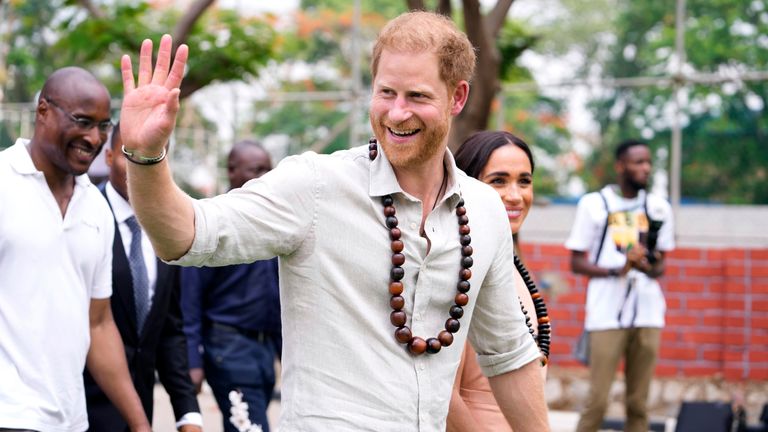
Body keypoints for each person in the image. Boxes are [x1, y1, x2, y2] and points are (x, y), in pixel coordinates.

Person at [118, 11, 549, 431]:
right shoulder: (315, 186)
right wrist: (145, 157)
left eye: (417, 96)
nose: (397, 113)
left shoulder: (483, 209)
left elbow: (508, 354)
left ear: (457, 97)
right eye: (385, 93)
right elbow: (186, 235)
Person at [0, 67, 150, 431]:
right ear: (43, 111)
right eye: (82, 121)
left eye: (102, 125)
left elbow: (97, 324)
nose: (94, 138)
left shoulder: (96, 207)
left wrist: (140, 424)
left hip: (71, 420)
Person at [83, 123, 203, 432]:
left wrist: (188, 414)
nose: (140, 162)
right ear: (108, 157)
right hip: (83, 413)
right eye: (128, 153)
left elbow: (169, 330)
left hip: (141, 416)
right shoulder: (84, 219)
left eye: (153, 153)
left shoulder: (166, 228)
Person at [566, 139, 675, 432]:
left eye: (648, 162)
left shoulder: (658, 208)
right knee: (598, 399)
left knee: (638, 403)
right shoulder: (594, 204)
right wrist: (618, 269)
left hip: (648, 312)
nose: (646, 168)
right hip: (606, 312)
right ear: (620, 166)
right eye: (638, 162)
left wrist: (644, 265)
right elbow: (576, 262)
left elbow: (661, 266)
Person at [447, 131, 551, 431]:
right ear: (467, 184)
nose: (516, 195)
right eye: (499, 180)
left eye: (525, 181)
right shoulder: (459, 267)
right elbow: (443, 395)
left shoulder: (510, 263)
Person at [180, 139, 281, 432]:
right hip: (229, 346)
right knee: (250, 427)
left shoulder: (273, 222)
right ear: (232, 171)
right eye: (256, 170)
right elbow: (190, 300)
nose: (264, 177)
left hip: (264, 349)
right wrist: (192, 361)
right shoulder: (213, 222)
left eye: (268, 170)